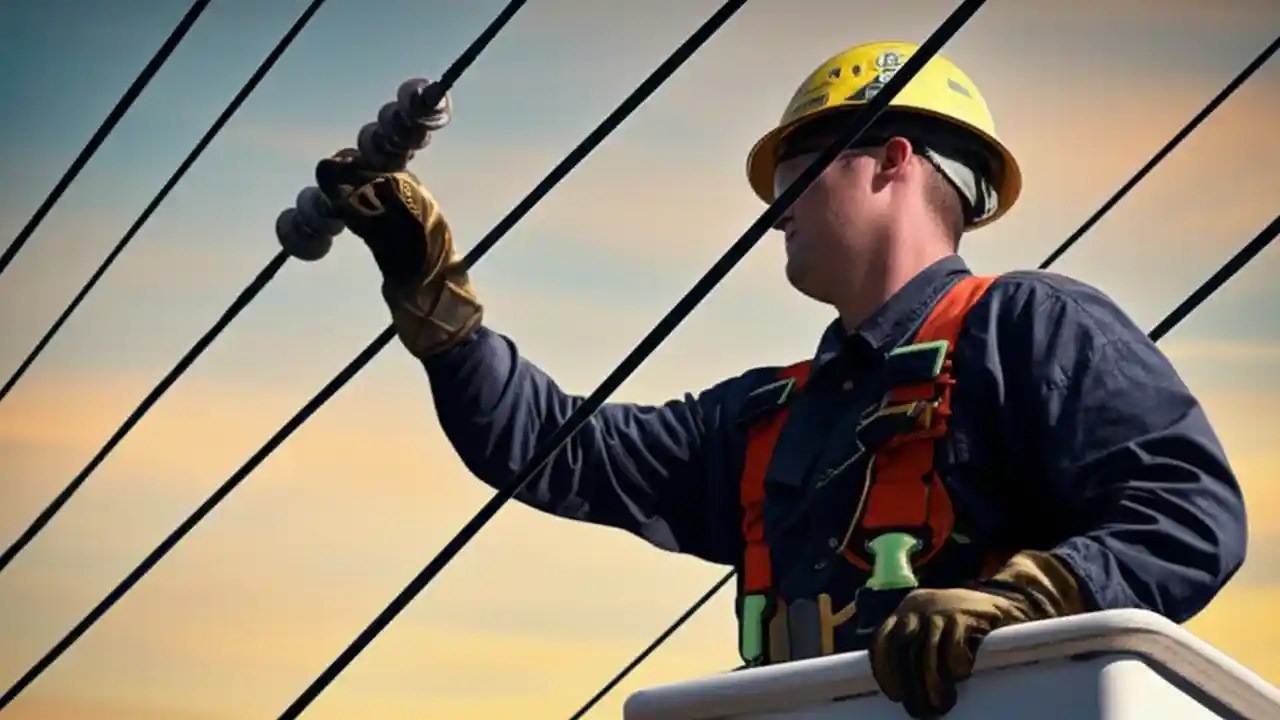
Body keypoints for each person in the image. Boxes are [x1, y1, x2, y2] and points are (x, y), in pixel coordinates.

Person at [313, 41, 1248, 718]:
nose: (773, 217)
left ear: (890, 160)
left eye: (793, 176)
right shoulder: (767, 418)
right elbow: (553, 448)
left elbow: (1190, 511)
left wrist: (1033, 596)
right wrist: (428, 290)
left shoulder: (1031, 325)